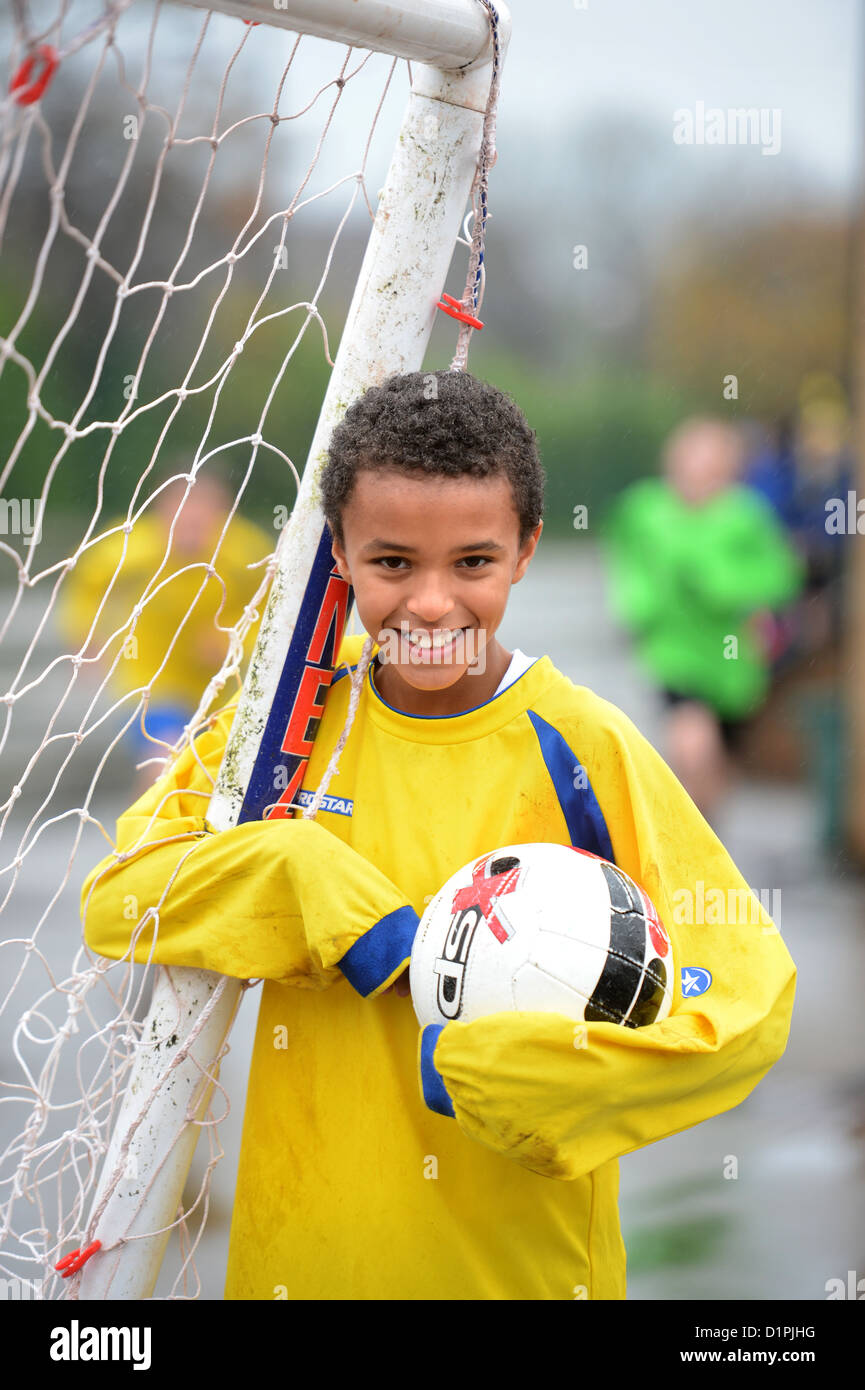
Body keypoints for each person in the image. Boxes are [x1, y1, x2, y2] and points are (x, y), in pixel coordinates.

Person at [80, 372, 796, 1301]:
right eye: (390, 564)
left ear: (525, 548)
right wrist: (300, 875)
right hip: (299, 1265)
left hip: (513, 1274)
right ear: (338, 551)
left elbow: (748, 1003)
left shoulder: (581, 745)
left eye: (471, 563)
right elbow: (121, 896)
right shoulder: (288, 728)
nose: (428, 604)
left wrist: (523, 1076)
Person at [602, 417, 803, 823]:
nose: (695, 475)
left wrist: (720, 586)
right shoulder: (645, 509)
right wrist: (635, 605)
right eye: (688, 462)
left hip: (732, 660)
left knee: (721, 761)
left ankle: (705, 833)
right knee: (691, 741)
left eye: (708, 465)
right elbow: (626, 561)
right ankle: (680, 826)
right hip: (674, 649)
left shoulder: (746, 516)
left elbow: (780, 577)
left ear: (728, 471)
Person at [58, 471, 272, 786]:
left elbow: (273, 613)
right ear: (162, 512)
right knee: (165, 765)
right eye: (182, 515)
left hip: (219, 691)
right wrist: (87, 641)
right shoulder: (129, 548)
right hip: (148, 684)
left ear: (224, 515)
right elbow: (85, 588)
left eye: (203, 518)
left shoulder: (247, 554)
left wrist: (234, 637)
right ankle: (144, 832)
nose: (192, 527)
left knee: (211, 781)